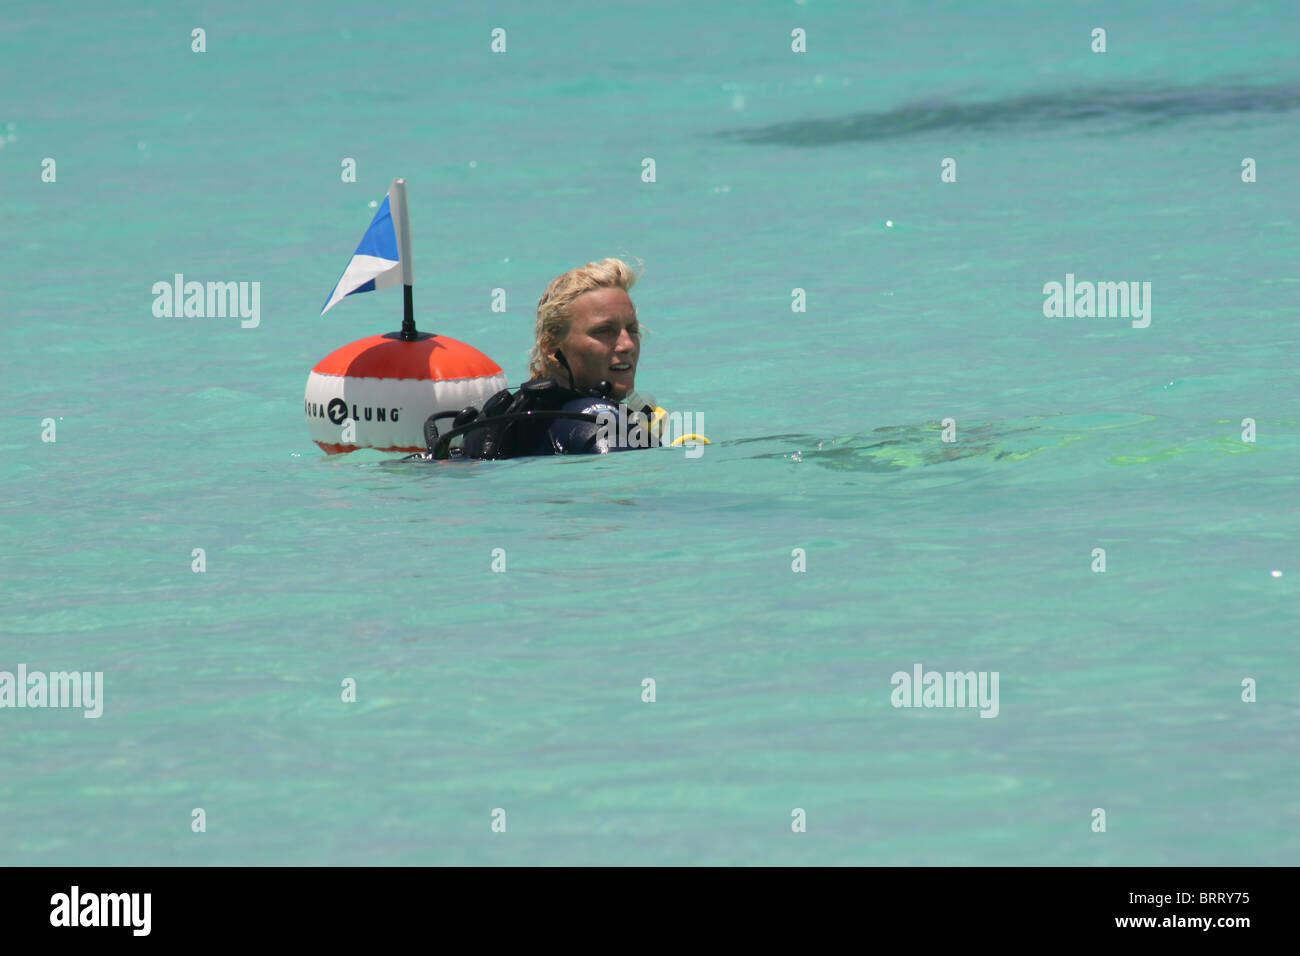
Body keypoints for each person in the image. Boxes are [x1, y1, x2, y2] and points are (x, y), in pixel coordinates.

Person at [419, 258, 664, 459]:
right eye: (603, 331)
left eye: (632, 329)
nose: (627, 344)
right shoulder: (599, 422)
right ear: (551, 347)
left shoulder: (518, 415)